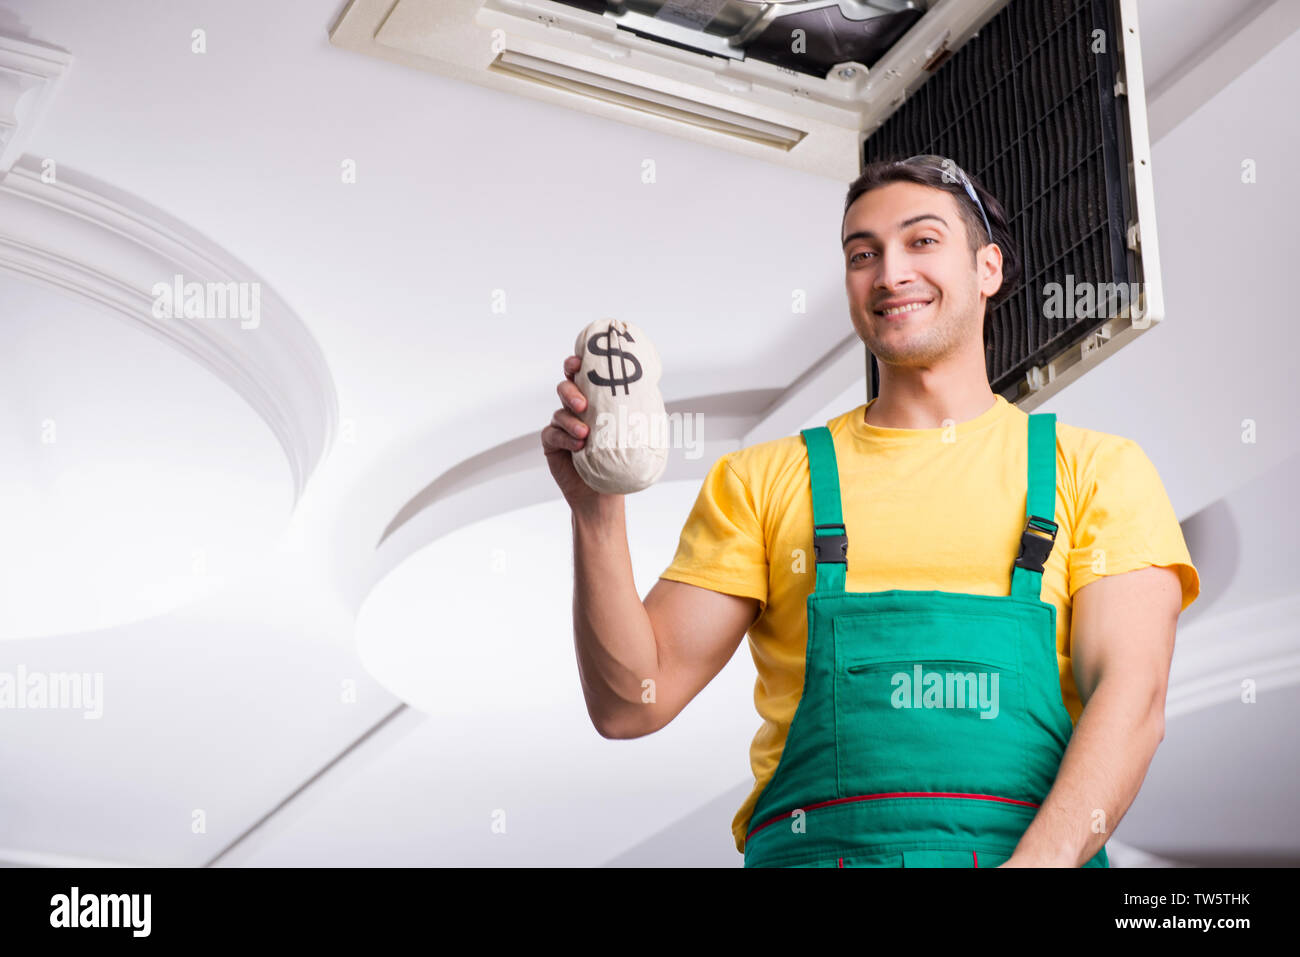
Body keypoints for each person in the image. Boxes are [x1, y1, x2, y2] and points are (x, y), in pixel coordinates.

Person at [540, 155, 1200, 867]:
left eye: (921, 241)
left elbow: (1132, 698)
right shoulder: (765, 479)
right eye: (863, 253)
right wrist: (596, 513)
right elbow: (631, 702)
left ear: (988, 269)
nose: (889, 273)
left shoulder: (1097, 472)